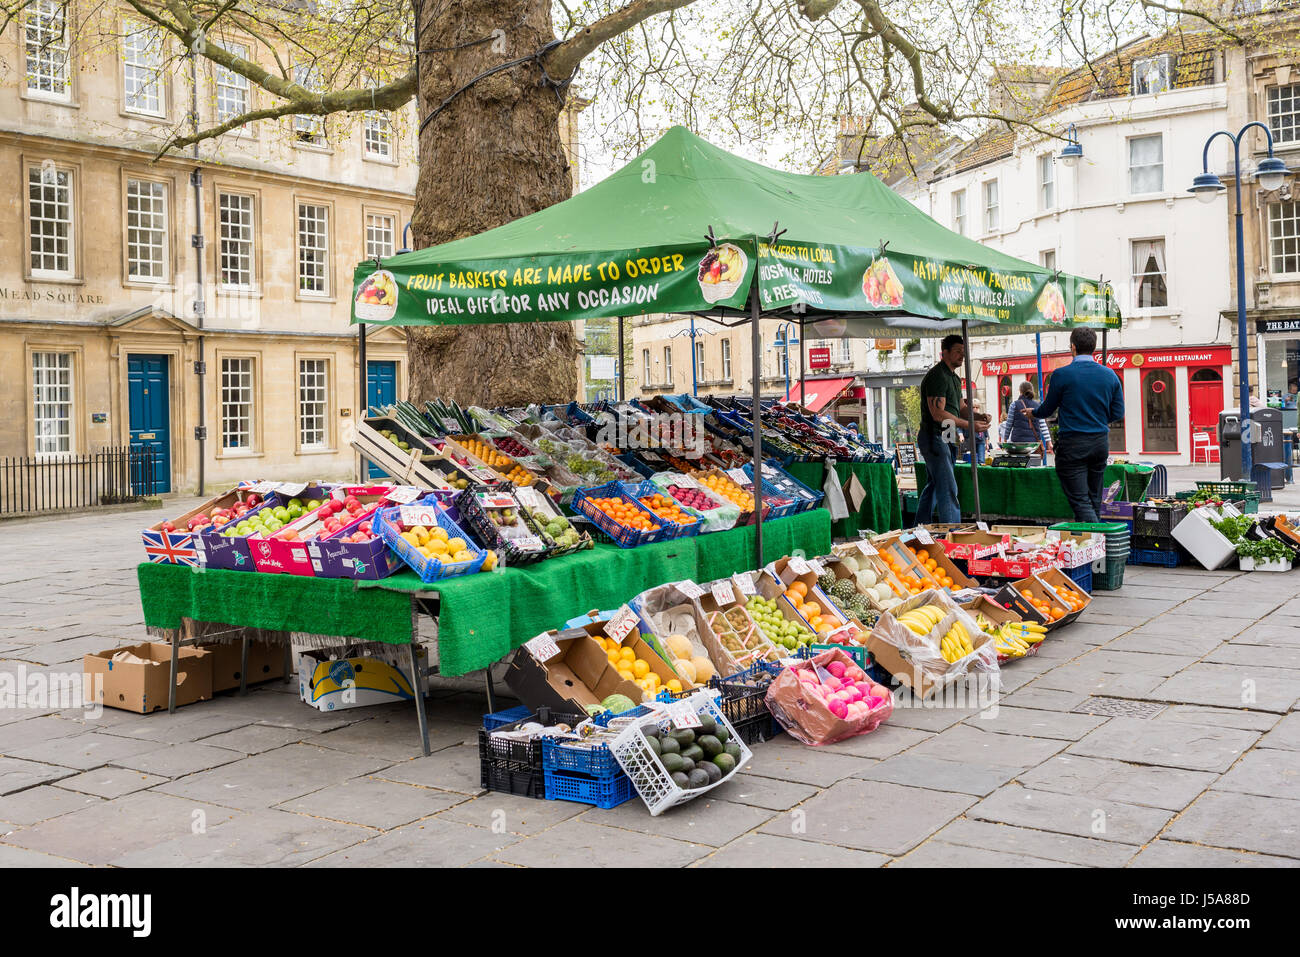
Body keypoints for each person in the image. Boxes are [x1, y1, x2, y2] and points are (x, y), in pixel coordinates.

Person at [1025, 327, 1124, 522]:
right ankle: (1093, 548)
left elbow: (1047, 409)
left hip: (1073, 444)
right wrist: (1097, 420)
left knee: (1080, 501)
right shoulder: (1110, 375)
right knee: (1094, 499)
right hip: (1099, 443)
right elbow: (1118, 413)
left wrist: (1033, 413)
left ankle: (1101, 539)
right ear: (1094, 347)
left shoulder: (1062, 375)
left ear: (1072, 347)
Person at [916, 334, 988, 524]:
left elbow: (962, 408)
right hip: (935, 435)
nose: (961, 356)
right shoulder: (938, 376)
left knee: (934, 485)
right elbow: (938, 414)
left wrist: (978, 417)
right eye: (957, 351)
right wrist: (970, 425)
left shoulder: (954, 379)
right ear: (944, 352)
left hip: (947, 435)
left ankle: (918, 528)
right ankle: (952, 533)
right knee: (948, 488)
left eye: (963, 352)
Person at [1001, 381, 1053, 457]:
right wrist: (1049, 442)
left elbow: (1009, 424)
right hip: (1033, 444)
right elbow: (1043, 425)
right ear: (1032, 390)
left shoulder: (1014, 405)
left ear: (1020, 391)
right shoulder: (1037, 405)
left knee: (1020, 465)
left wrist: (1005, 438)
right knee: (1033, 466)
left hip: (1018, 443)